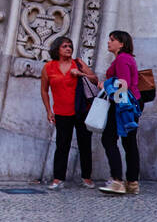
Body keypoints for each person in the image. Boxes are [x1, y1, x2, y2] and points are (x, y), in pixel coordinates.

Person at [40, 36, 97, 190]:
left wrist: (81, 74)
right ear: (57, 49)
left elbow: (95, 79)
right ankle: (58, 179)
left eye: (70, 46)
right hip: (61, 112)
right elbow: (44, 90)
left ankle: (87, 177)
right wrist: (48, 110)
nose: (68, 48)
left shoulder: (77, 63)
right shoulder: (49, 67)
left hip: (81, 110)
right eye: (64, 46)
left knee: (84, 144)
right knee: (62, 145)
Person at [98, 30, 142, 195]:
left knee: (108, 139)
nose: (108, 42)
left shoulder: (122, 59)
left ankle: (117, 181)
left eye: (112, 39)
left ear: (121, 43)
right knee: (129, 143)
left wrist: (106, 85)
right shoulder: (128, 58)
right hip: (131, 104)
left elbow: (123, 84)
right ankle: (132, 182)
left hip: (122, 105)